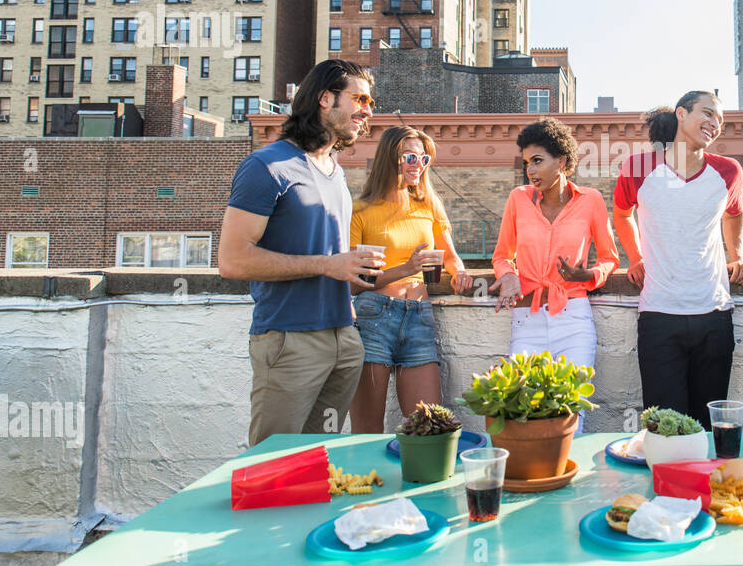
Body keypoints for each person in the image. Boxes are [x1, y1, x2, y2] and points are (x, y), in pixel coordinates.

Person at [218, 59, 380, 445]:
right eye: (359, 98)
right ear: (325, 98)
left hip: (343, 338)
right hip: (290, 339)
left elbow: (326, 254)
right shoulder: (266, 165)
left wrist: (345, 274)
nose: (367, 110)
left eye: (371, 102)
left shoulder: (334, 170)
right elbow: (232, 259)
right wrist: (329, 265)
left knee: (317, 459)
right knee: (271, 466)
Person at [612, 90, 743, 428]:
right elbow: (620, 214)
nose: (714, 123)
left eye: (719, 120)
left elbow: (735, 213)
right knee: (665, 428)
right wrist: (636, 258)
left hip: (715, 316)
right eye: (707, 113)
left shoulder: (729, 171)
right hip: (659, 317)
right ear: (680, 114)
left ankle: (705, 483)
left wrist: (737, 256)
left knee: (706, 428)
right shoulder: (638, 167)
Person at [490, 118, 620, 432]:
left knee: (572, 411)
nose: (530, 171)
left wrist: (586, 275)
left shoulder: (590, 201)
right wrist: (508, 275)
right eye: (526, 163)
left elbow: (609, 259)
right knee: (521, 408)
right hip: (527, 318)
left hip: (574, 318)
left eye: (538, 161)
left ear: (561, 161)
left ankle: (567, 479)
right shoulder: (518, 199)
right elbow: (501, 255)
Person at [348, 125, 473, 433]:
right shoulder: (360, 210)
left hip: (419, 316)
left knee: (429, 426)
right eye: (411, 157)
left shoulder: (429, 205)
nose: (418, 164)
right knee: (367, 429)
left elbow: (450, 256)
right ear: (390, 159)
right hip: (373, 316)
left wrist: (459, 273)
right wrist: (406, 268)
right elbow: (352, 282)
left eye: (424, 158)